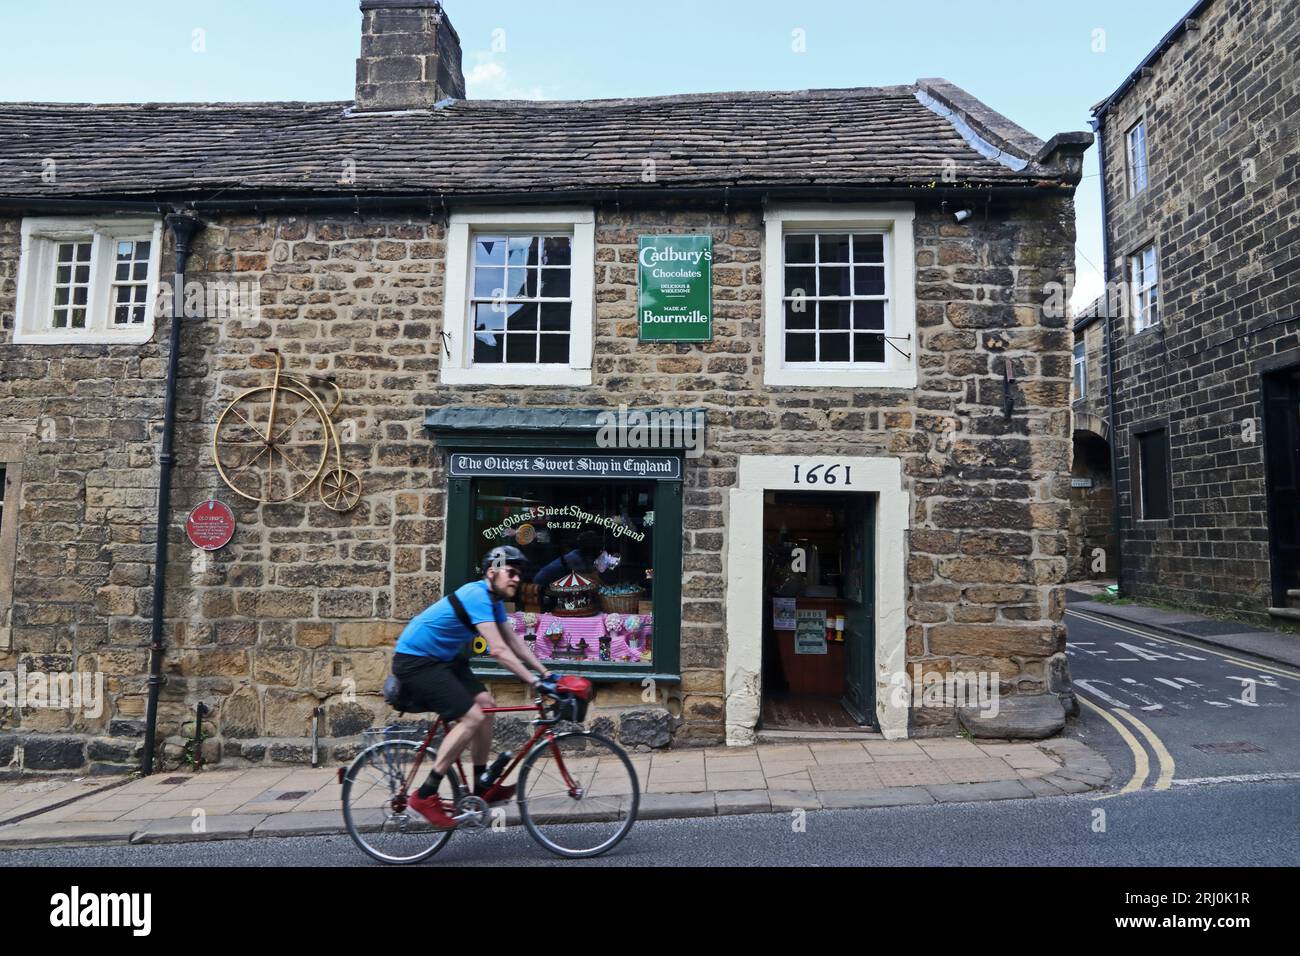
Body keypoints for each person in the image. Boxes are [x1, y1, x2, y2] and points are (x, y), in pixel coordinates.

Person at [391, 545, 556, 829]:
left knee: (487, 705)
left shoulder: (493, 600)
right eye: (511, 573)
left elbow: (514, 641)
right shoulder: (477, 595)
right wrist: (534, 682)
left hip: (444, 658)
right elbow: (500, 651)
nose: (517, 579)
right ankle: (426, 794)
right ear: (492, 572)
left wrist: (546, 673)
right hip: (417, 661)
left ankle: (482, 786)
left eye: (520, 574)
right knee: (473, 716)